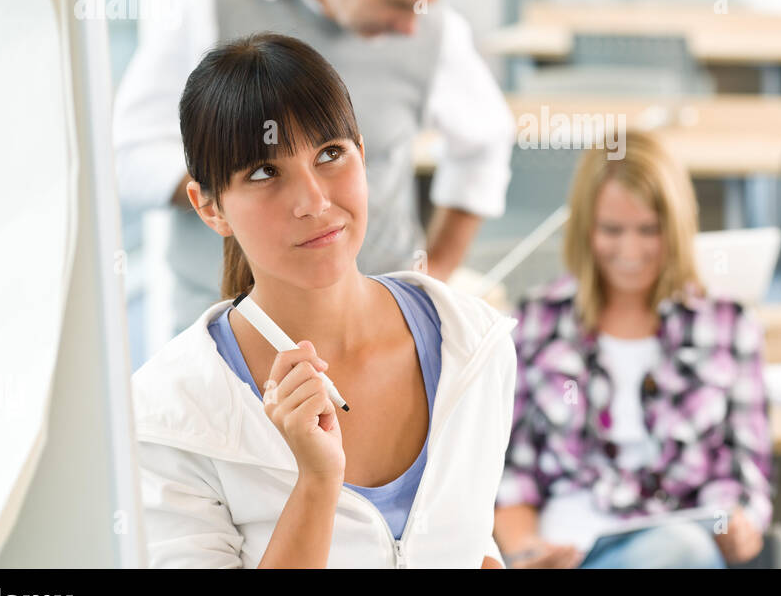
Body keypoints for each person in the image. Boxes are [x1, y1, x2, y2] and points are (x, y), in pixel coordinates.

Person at [130, 33, 517, 568]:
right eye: (264, 172)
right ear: (210, 206)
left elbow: (472, 547)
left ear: (362, 153)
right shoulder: (168, 414)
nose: (314, 201)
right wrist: (315, 485)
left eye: (330, 154)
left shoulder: (472, 342)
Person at [113, 0, 515, 332]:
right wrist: (248, 185)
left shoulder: (433, 31)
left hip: (379, 329)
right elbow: (128, 156)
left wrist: (434, 276)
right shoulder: (210, 2)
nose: (411, 26)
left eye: (332, 156)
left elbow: (486, 143)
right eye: (397, 3)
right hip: (230, 331)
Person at [493, 132, 773, 568]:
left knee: (680, 550)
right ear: (586, 228)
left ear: (676, 228)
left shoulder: (729, 324)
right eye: (612, 230)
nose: (630, 251)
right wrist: (527, 551)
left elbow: (742, 475)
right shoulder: (537, 320)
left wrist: (735, 528)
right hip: (566, 553)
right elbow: (509, 473)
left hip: (681, 544)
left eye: (649, 231)